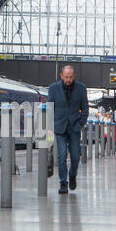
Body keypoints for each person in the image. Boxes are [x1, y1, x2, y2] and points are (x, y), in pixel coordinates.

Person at [48, 64, 89, 194]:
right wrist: (50, 127)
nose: (68, 80)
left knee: (76, 156)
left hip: (74, 127)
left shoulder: (81, 88)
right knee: (61, 155)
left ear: (74, 76)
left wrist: (81, 122)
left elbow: (85, 108)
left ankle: (72, 175)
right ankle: (63, 183)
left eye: (70, 77)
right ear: (61, 76)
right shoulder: (53, 88)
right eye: (66, 77)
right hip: (59, 127)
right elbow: (50, 108)